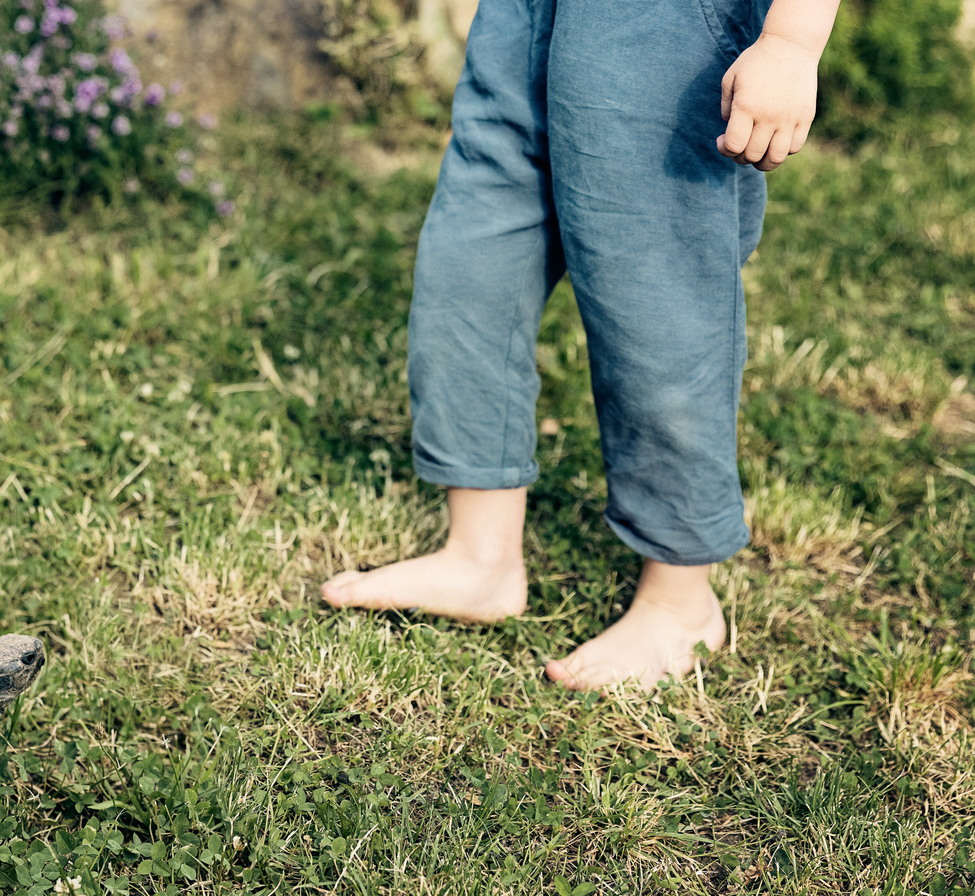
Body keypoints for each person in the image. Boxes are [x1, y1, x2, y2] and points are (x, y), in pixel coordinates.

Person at [321, 0, 841, 689]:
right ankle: (480, 555)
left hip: (672, 24)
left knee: (657, 298)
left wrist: (791, 42)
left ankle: (681, 601)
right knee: (473, 254)